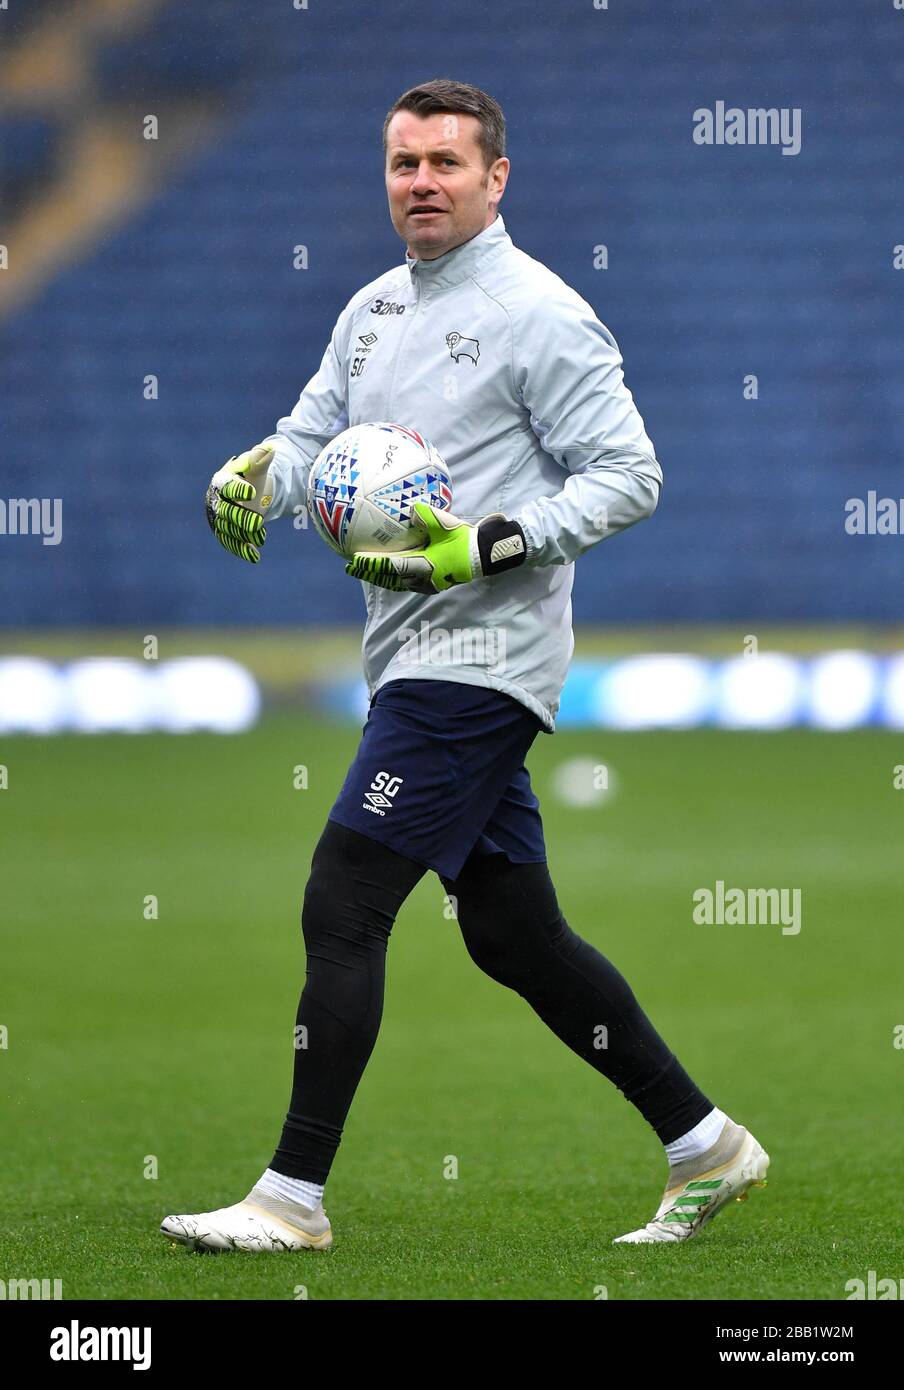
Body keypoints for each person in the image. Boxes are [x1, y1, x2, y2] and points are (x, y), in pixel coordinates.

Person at [162, 78, 768, 1254]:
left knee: (343, 902)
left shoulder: (542, 312)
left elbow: (629, 473)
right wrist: (253, 474)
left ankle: (291, 1199)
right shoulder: (374, 310)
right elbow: (309, 438)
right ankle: (704, 1143)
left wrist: (492, 541)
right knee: (511, 932)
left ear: (497, 179)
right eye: (403, 164)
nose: (422, 182)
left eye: (446, 162)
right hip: (410, 652)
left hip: (484, 655)